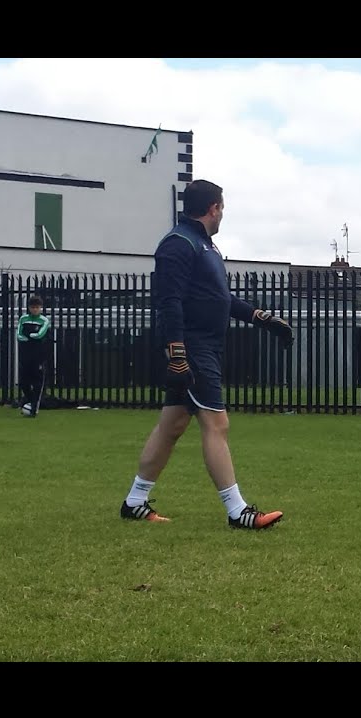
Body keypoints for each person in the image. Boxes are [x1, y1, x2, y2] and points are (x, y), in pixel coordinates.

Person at [120, 179, 294, 529]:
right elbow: (168, 302)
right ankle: (237, 511)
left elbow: (219, 299)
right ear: (214, 207)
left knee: (172, 424)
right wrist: (178, 355)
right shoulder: (178, 244)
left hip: (204, 347)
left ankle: (134, 502)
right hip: (193, 349)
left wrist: (262, 318)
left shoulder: (205, 247)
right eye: (222, 207)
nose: (223, 214)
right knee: (217, 423)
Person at [15, 295, 51, 417]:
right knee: (23, 383)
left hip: (38, 356)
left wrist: (30, 336)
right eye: (32, 307)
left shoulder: (44, 320)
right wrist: (27, 337)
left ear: (41, 308)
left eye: (37, 307)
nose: (35, 309)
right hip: (25, 355)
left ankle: (34, 408)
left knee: (37, 383)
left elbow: (40, 334)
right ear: (29, 308)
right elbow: (19, 334)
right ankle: (30, 401)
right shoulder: (23, 319)